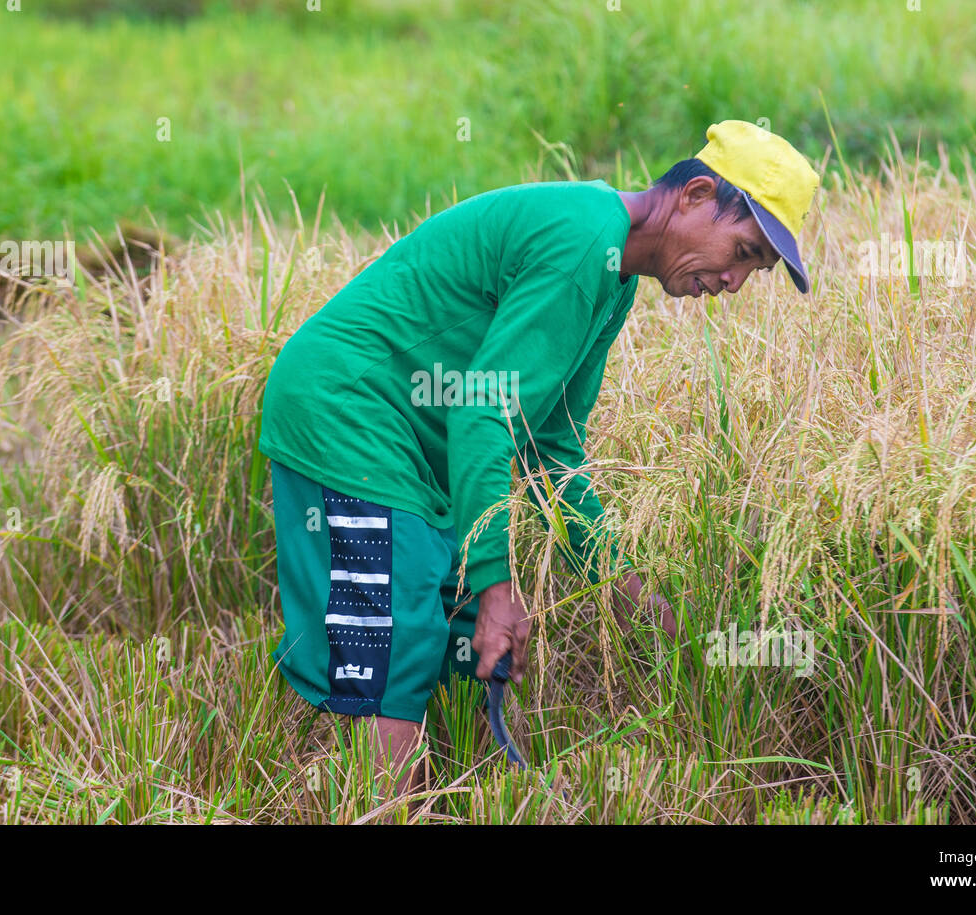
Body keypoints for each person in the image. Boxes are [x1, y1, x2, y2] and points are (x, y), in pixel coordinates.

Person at [259, 119, 820, 792]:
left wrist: (628, 587)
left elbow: (549, 448)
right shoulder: (581, 239)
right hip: (349, 410)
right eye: (742, 250)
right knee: (396, 648)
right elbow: (483, 410)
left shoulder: (612, 277)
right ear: (697, 194)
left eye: (752, 271)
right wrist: (499, 585)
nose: (733, 282)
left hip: (410, 438)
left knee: (459, 641)